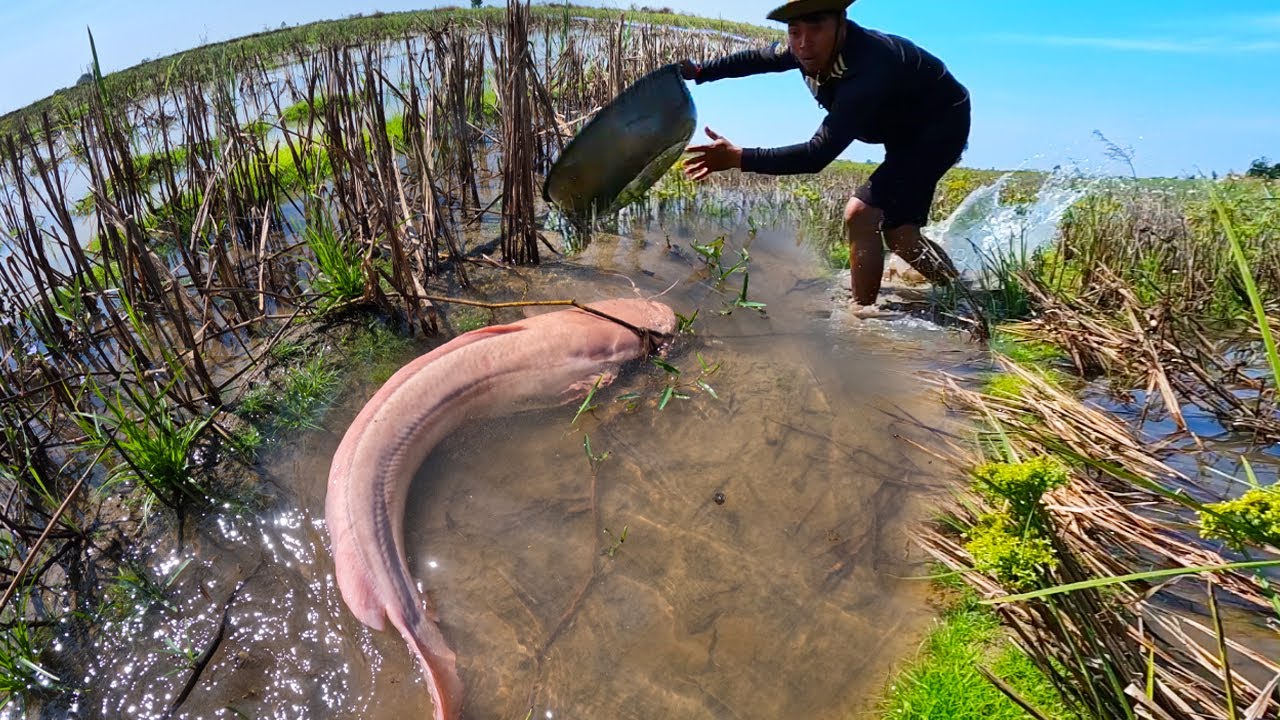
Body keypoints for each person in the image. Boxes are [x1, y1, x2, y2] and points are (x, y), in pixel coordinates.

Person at [678, 0, 970, 308]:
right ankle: (961, 293)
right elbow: (756, 59)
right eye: (795, 31)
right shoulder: (801, 48)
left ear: (841, 23)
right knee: (900, 236)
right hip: (901, 129)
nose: (804, 44)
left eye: (816, 28)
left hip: (939, 126)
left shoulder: (868, 66)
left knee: (861, 213)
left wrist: (740, 158)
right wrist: (700, 71)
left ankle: (862, 317)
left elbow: (816, 155)